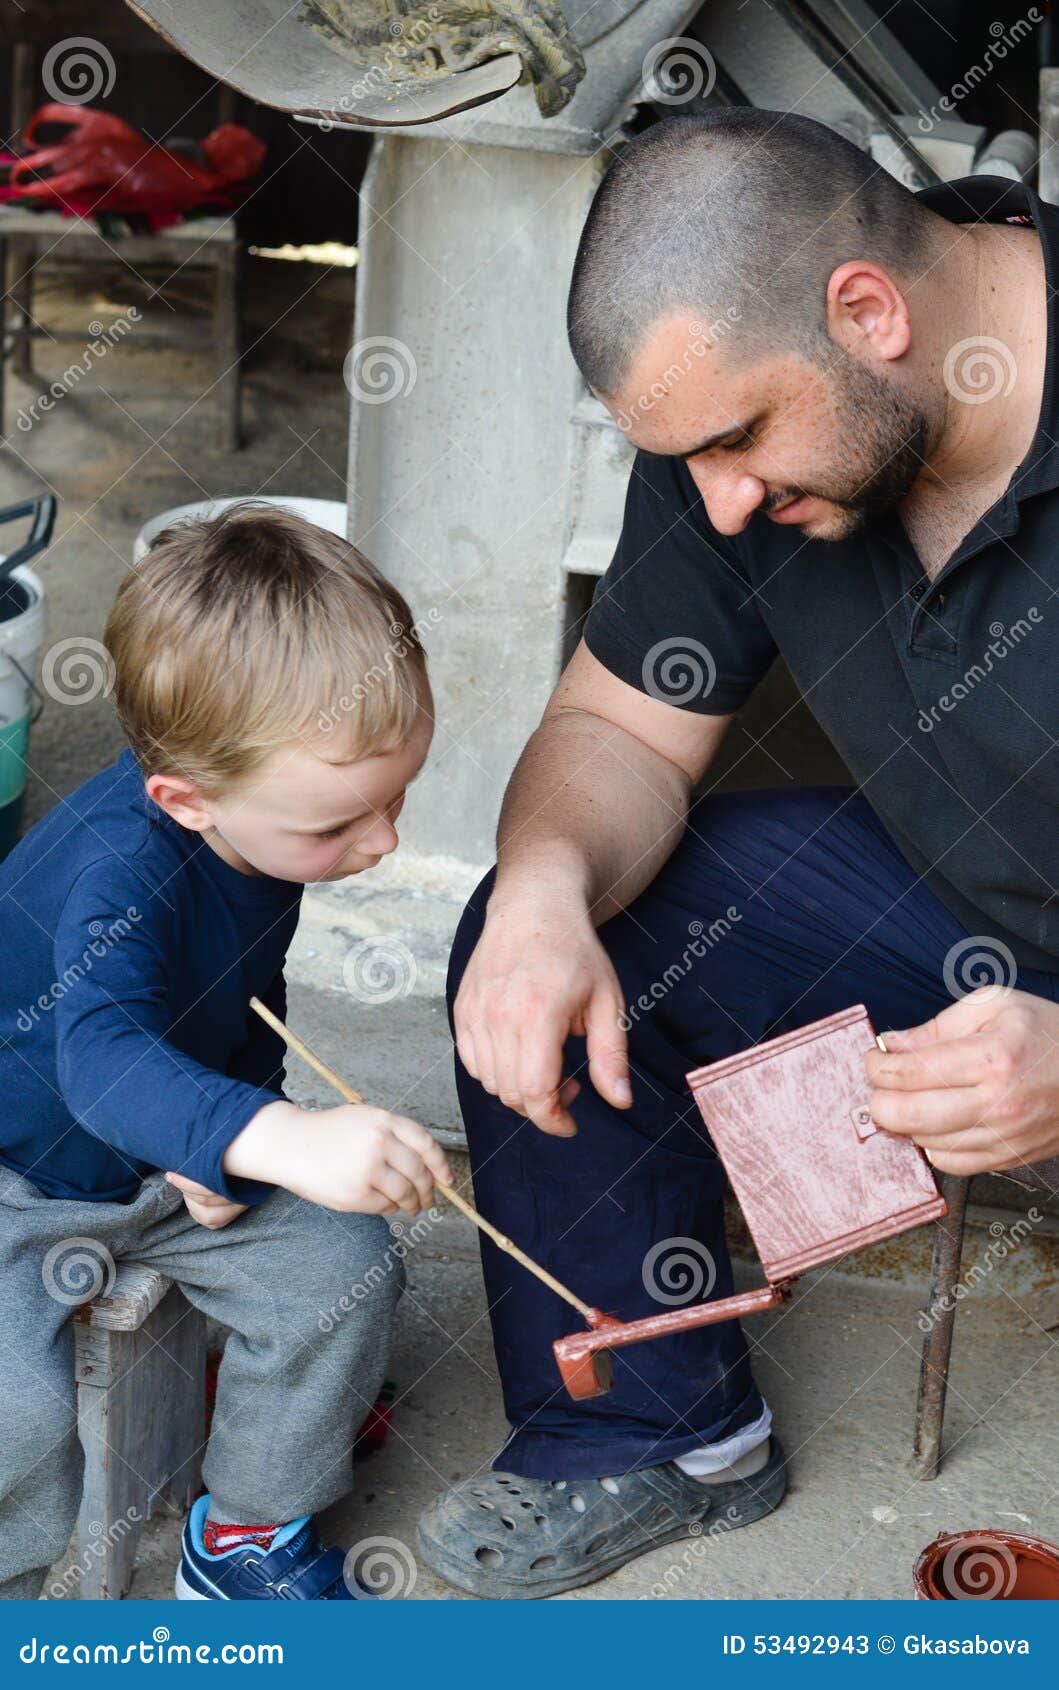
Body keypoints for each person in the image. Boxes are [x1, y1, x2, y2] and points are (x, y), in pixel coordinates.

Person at [419, 108, 1059, 1599]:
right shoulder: (742, 425)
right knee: (565, 935)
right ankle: (661, 1433)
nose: (717, 498)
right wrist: (537, 893)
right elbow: (621, 732)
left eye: (735, 440)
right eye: (681, 456)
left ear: (865, 310)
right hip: (959, 908)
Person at [0, 503, 450, 1601]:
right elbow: (99, 1059)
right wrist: (274, 1132)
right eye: (339, 823)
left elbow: (241, 1000)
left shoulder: (257, 829)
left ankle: (248, 1529)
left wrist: (231, 1132)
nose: (381, 840)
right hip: (18, 1178)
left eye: (394, 799)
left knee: (346, 1265)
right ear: (183, 800)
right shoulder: (118, 868)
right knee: (23, 1411)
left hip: (158, 1158)